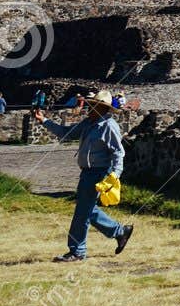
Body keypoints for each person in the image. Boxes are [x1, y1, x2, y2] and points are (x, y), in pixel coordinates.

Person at [35, 91, 134, 263]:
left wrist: (114, 176)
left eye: (92, 105)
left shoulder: (109, 126)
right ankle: (120, 231)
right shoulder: (88, 123)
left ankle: (77, 251)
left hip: (100, 173)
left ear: (102, 108)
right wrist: (45, 121)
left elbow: (118, 152)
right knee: (87, 210)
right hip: (87, 172)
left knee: (82, 212)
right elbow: (66, 133)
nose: (88, 108)